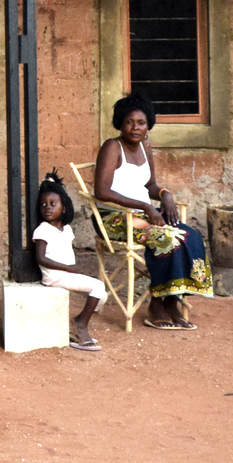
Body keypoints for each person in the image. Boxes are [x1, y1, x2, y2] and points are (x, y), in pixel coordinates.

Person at [92, 92, 215, 329]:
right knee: (167, 238)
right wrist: (146, 206)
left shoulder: (145, 148)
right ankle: (156, 304)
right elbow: (102, 191)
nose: (135, 128)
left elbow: (150, 186)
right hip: (114, 218)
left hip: (142, 215)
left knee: (191, 236)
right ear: (120, 123)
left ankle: (172, 300)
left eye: (141, 123)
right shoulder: (112, 147)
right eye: (129, 122)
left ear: (148, 125)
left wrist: (164, 195)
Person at [32, 171, 106, 351]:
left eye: (52, 204)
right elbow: (40, 258)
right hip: (56, 277)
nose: (47, 208)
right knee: (97, 287)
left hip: (66, 274)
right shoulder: (43, 230)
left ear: (64, 207)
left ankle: (79, 323)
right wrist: (68, 267)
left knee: (102, 295)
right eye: (43, 205)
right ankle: (80, 324)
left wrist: (71, 269)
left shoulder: (66, 230)